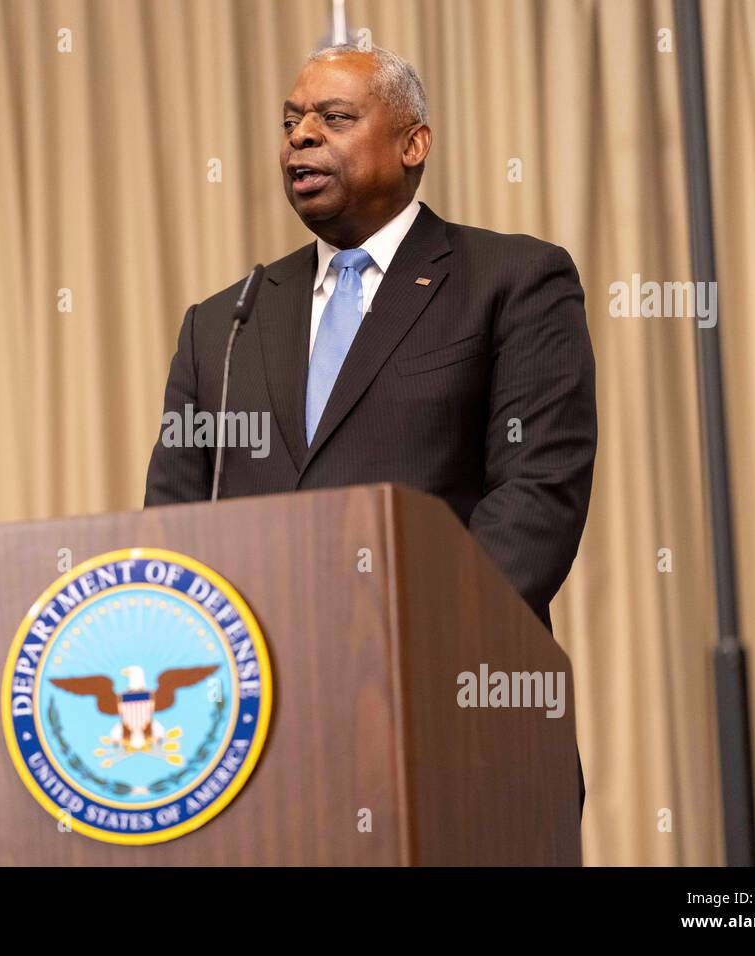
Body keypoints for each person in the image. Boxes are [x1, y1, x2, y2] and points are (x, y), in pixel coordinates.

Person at [144, 44, 596, 813]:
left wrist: (390, 650)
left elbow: (536, 496)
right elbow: (172, 530)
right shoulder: (224, 321)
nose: (300, 136)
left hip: (456, 723)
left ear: (413, 143)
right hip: (260, 753)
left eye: (335, 117)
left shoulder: (512, 281)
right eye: (291, 121)